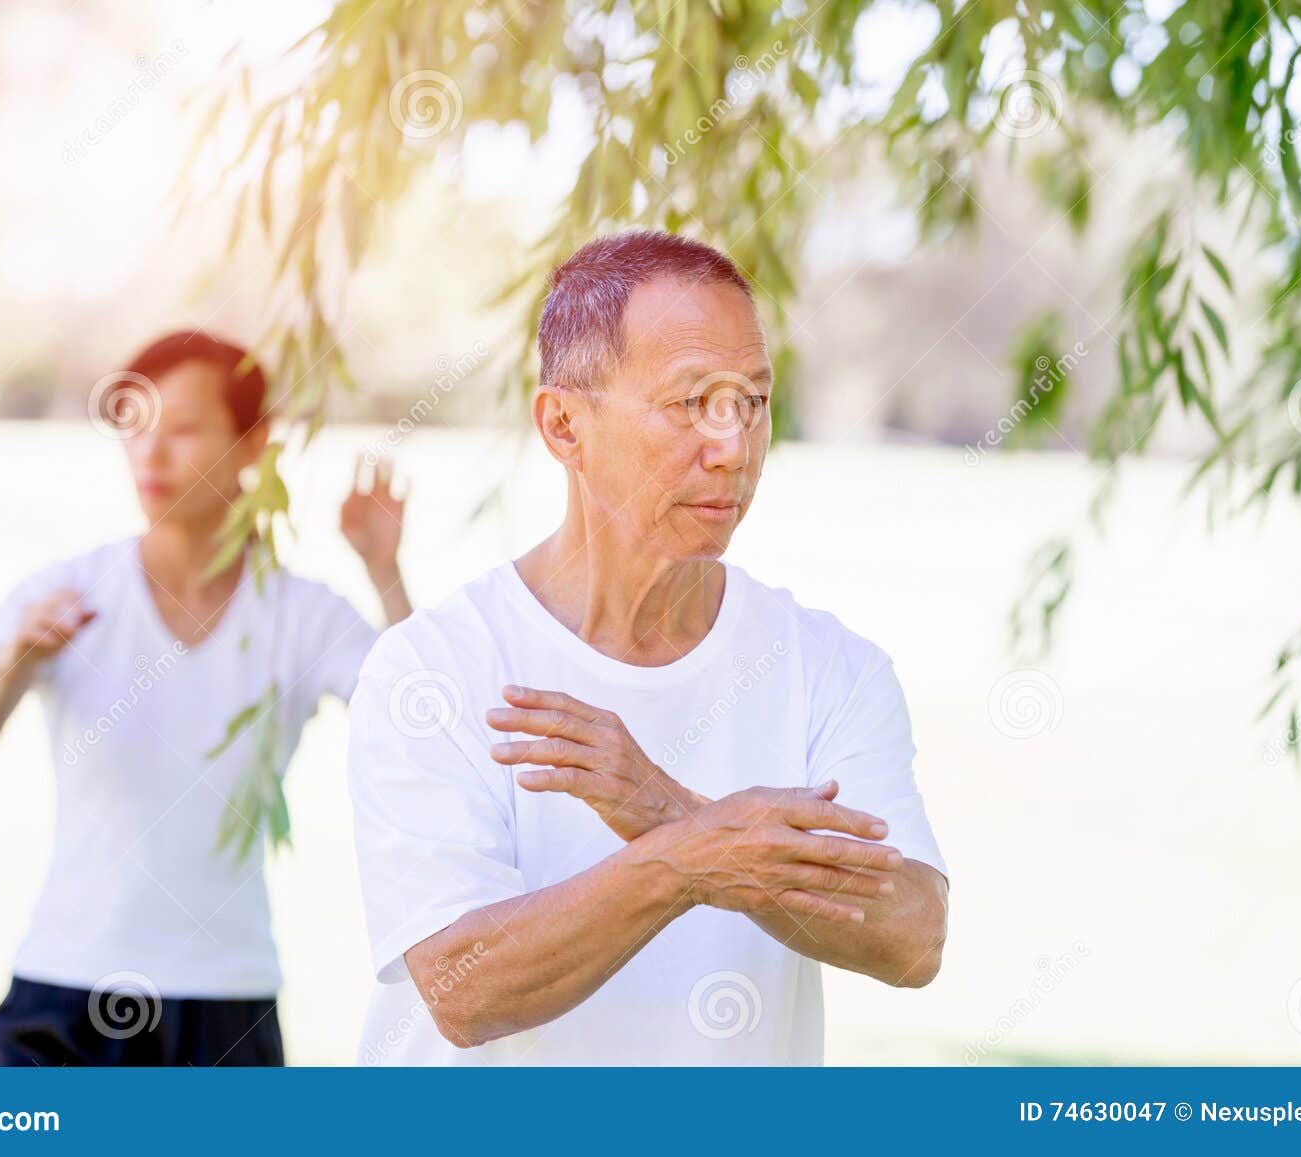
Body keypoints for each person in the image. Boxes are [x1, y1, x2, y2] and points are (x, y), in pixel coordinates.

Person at [347, 232, 948, 1065]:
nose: (733, 447)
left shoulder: (830, 667)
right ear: (564, 425)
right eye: (691, 401)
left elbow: (914, 937)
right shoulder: (435, 667)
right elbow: (463, 989)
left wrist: (667, 814)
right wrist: (682, 863)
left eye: (753, 401)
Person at [0, 330, 410, 1066]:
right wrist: (12, 665)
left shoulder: (300, 614)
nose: (150, 458)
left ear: (255, 444)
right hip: (61, 991)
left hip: (222, 1001)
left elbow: (416, 727)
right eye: (136, 432)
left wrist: (384, 568)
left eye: (185, 431)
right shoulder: (65, 594)